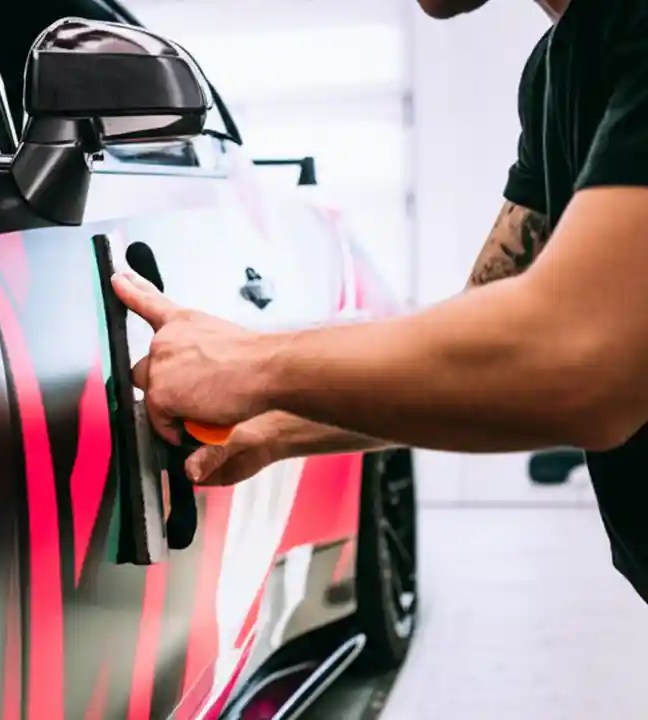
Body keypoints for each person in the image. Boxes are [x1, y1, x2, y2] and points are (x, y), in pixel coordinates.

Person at [112, 0, 648, 603]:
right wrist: (273, 431)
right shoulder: (560, 68)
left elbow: (577, 359)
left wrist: (250, 365)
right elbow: (480, 351)